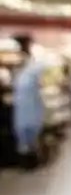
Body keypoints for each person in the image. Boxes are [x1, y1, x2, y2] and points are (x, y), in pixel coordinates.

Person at [10, 35, 45, 167]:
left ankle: (30, 156)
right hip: (24, 106)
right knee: (24, 131)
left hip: (29, 105)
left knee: (29, 130)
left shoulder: (33, 67)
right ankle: (28, 157)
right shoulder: (21, 68)